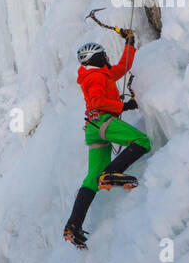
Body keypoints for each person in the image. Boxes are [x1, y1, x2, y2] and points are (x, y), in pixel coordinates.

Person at [63, 29, 151, 249]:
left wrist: (130, 43)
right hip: (102, 121)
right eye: (103, 55)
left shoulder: (101, 74)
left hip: (93, 129)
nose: (107, 58)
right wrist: (125, 105)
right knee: (142, 141)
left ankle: (73, 224)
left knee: (92, 178)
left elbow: (123, 67)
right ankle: (112, 173)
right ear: (96, 59)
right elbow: (98, 102)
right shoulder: (94, 77)